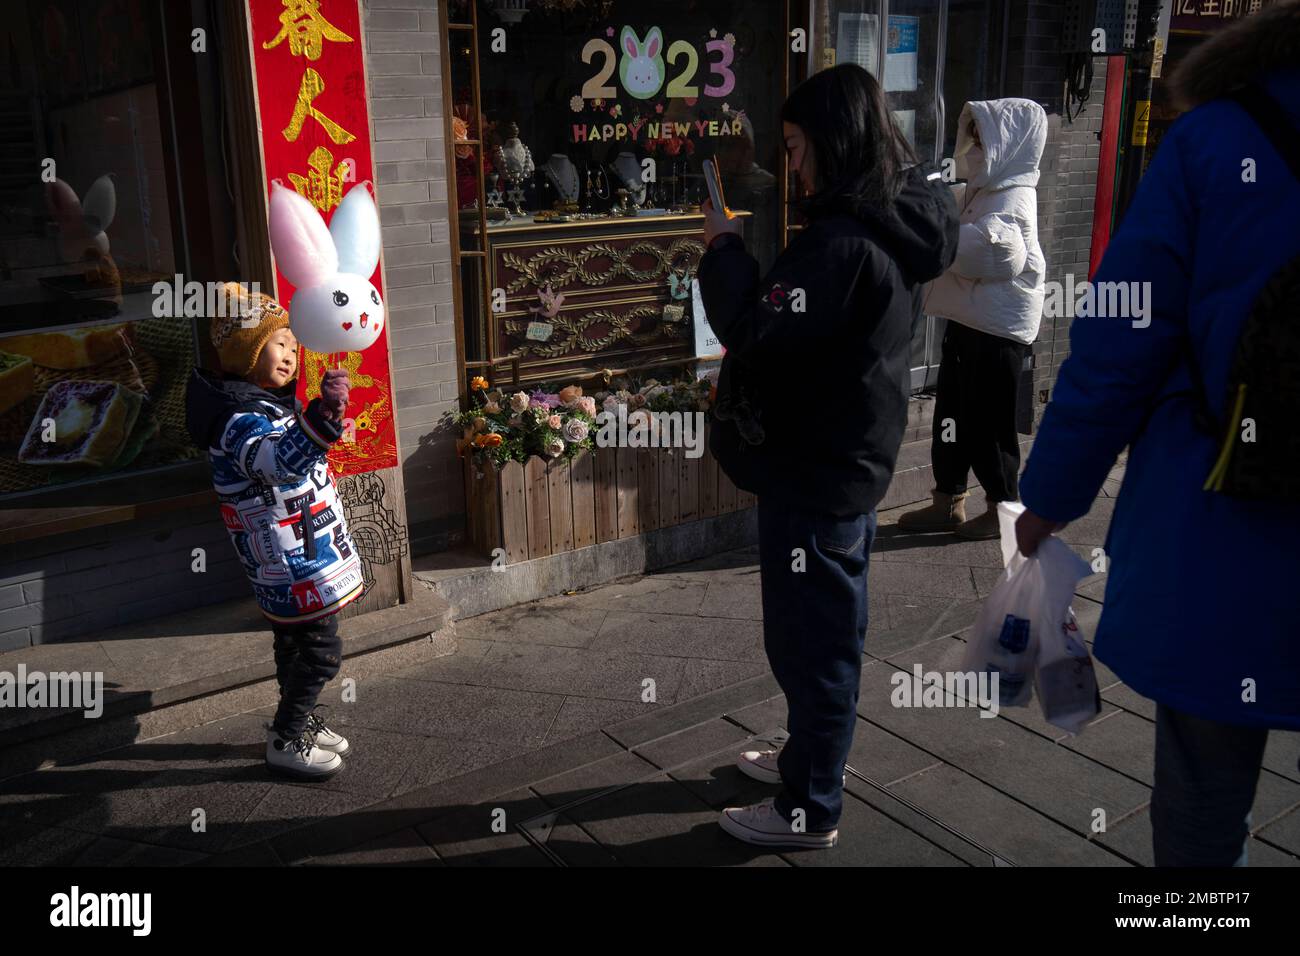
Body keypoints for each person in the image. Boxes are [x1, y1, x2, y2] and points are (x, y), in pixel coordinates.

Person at [1014, 3, 1300, 866]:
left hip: (1227, 522)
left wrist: (1050, 500)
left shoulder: (1217, 140)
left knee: (1205, 794)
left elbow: (1116, 345)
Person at [697, 63, 958, 849]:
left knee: (812, 643)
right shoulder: (889, 221)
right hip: (841, 461)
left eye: (797, 145)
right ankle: (808, 760)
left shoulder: (842, 243)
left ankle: (808, 806)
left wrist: (724, 247)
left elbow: (753, 326)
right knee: (820, 635)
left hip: (819, 472)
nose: (794, 164)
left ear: (832, 141)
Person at [185, 283, 363, 781]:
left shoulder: (264, 404)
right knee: (322, 653)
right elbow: (276, 463)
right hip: (288, 563)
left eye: (291, 343)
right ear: (246, 353)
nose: (291, 353)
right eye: (277, 343)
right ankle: (287, 738)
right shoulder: (236, 418)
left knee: (293, 646)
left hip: (296, 555)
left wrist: (321, 420)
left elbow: (290, 452)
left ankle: (296, 722)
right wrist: (322, 420)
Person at [898, 98, 1047, 539]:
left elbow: (998, 254)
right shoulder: (987, 188)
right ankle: (947, 501)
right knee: (953, 413)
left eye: (985, 140)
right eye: (975, 138)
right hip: (970, 322)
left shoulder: (1014, 196)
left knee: (989, 423)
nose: (976, 149)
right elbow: (955, 209)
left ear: (1011, 144)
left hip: (997, 332)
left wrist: (941, 237)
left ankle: (1005, 511)